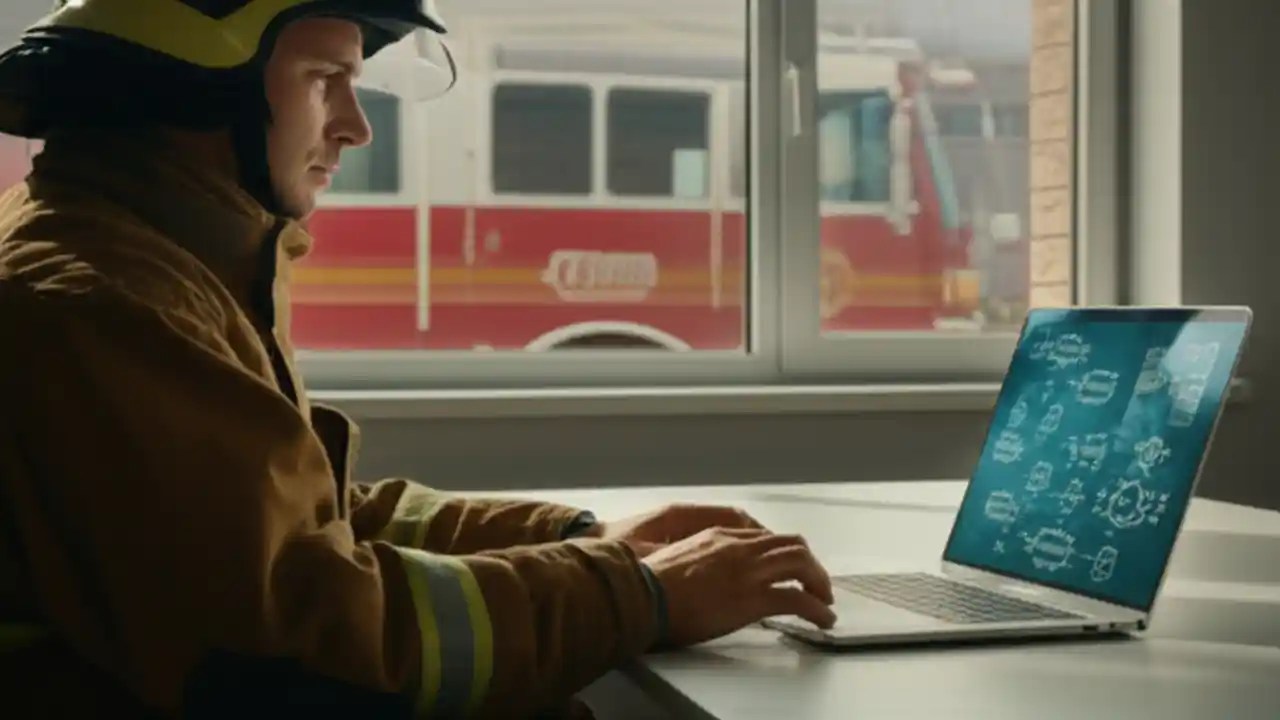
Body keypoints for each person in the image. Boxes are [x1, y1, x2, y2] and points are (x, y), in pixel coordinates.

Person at [0, 1, 837, 717]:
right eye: (325, 79)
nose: (356, 126)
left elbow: (308, 518)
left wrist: (579, 535)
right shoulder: (104, 307)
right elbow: (298, 642)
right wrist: (634, 593)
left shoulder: (150, 262)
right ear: (192, 83)